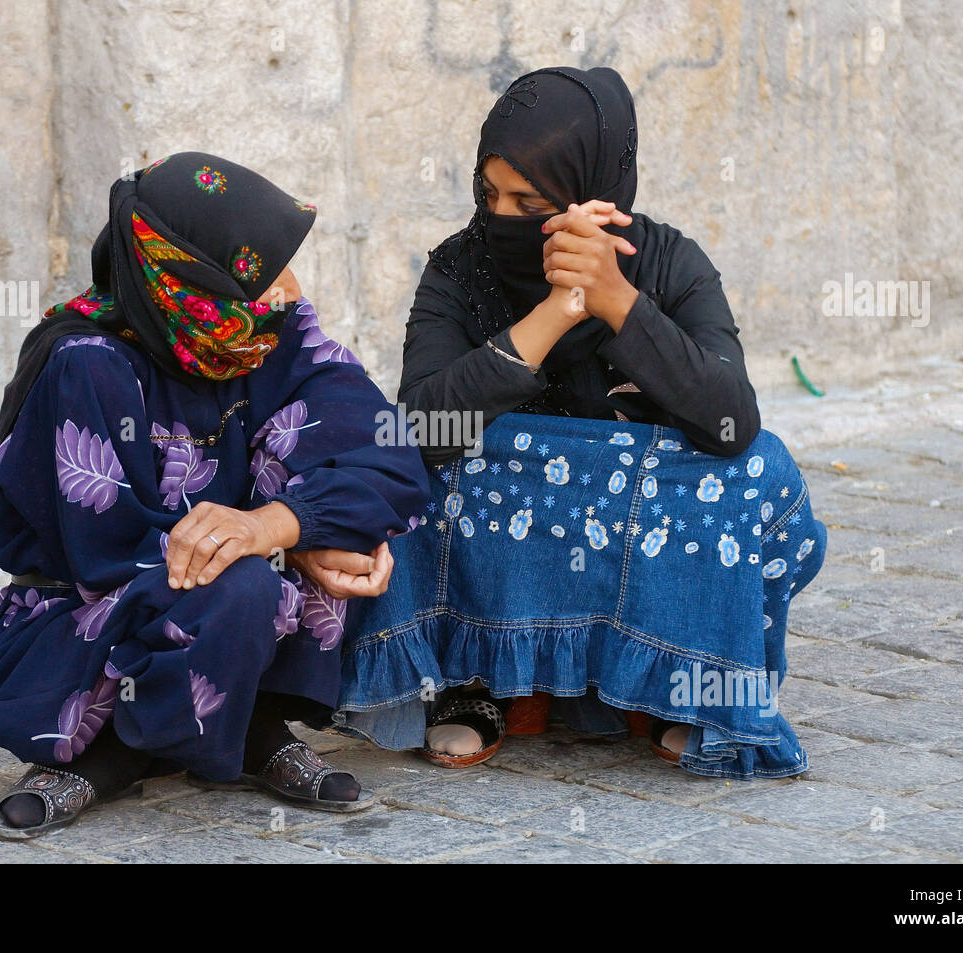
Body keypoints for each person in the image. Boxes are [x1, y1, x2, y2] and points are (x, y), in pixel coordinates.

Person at [332, 67, 827, 779]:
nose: (500, 215)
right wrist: (554, 312)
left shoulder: (666, 264)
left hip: (631, 532)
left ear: (591, 194)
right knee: (402, 456)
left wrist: (616, 300)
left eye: (527, 201)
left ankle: (670, 682)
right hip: (507, 528)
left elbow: (730, 421)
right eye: (488, 192)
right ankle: (476, 678)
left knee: (758, 471)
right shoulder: (459, 268)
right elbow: (422, 430)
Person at [0, 151, 428, 838]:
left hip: (241, 582)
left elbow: (389, 451)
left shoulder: (268, 337)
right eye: (266, 272)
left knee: (358, 523)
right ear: (192, 286)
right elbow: (121, 557)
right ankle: (115, 749)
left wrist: (286, 527)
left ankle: (247, 720)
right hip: (96, 619)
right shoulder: (85, 365)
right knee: (244, 587)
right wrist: (276, 550)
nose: (291, 290)